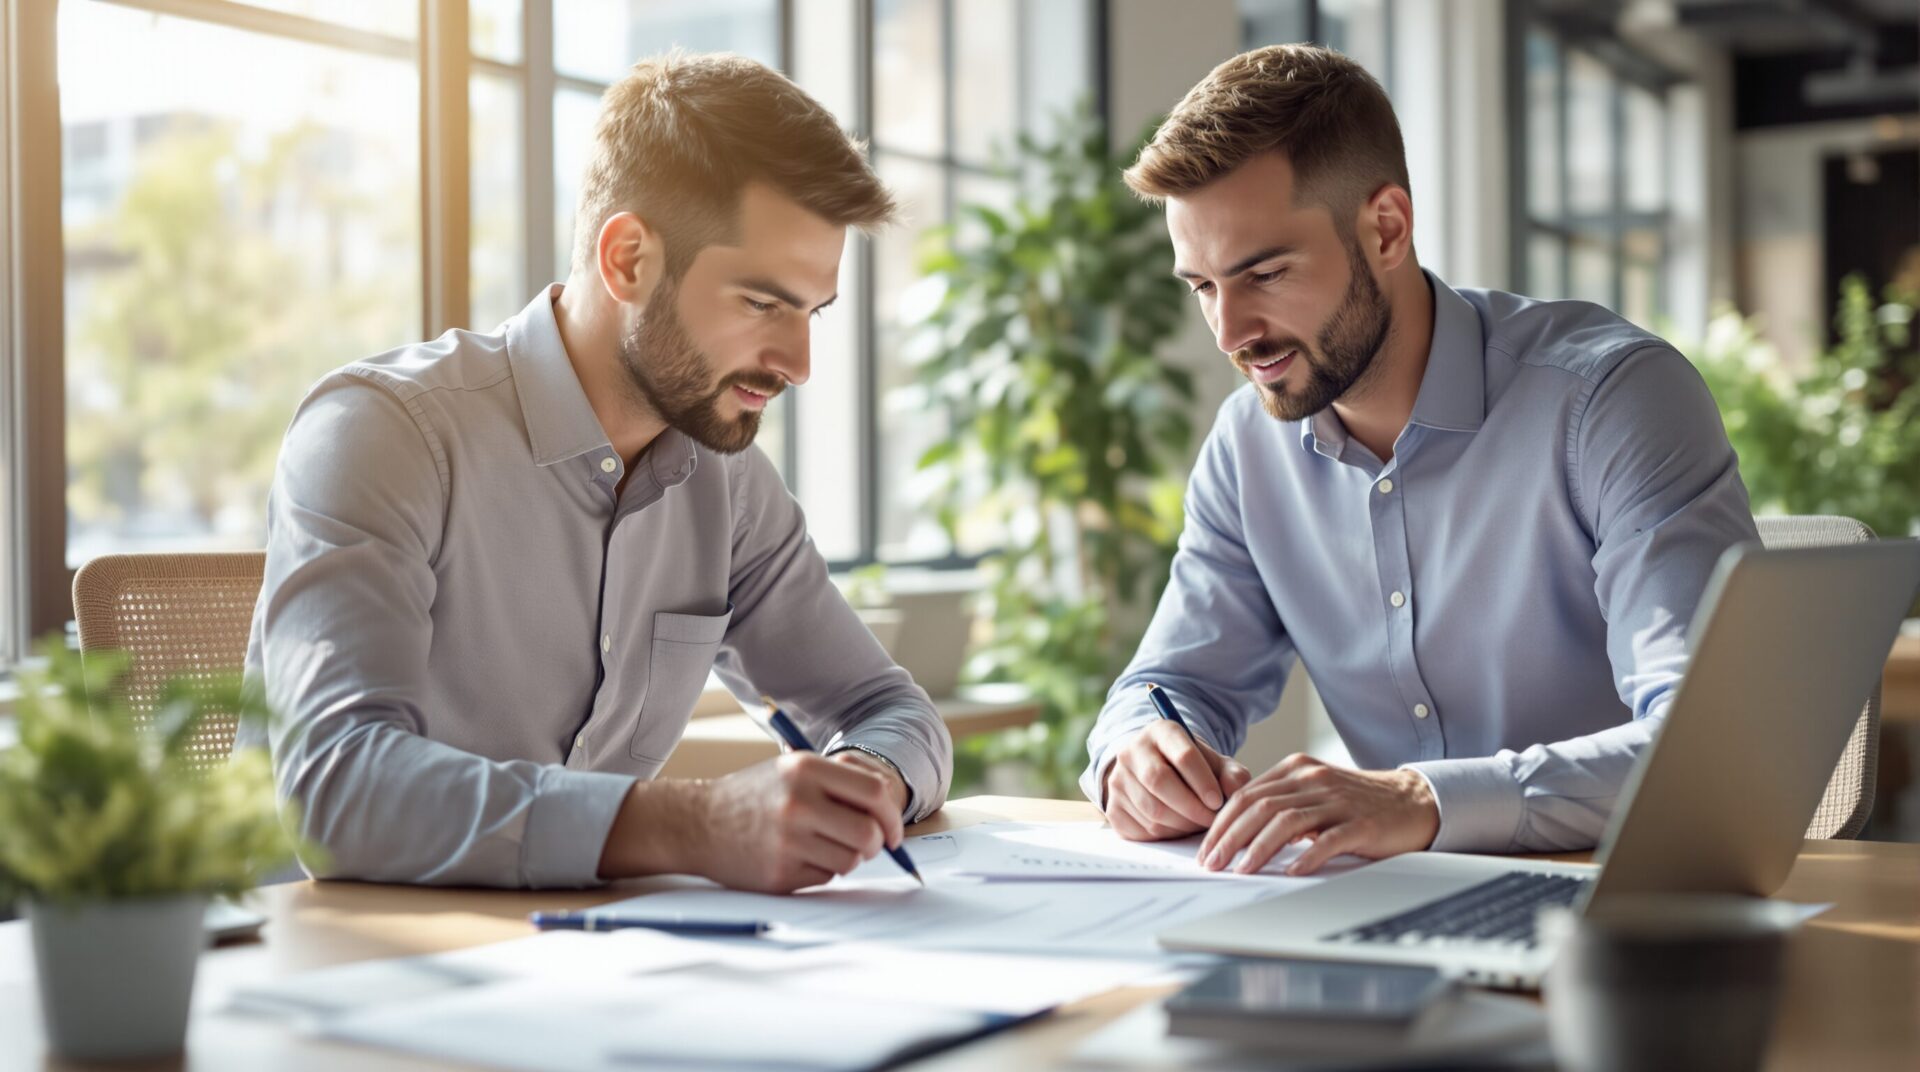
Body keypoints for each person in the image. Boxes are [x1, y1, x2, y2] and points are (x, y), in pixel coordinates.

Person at [241, 52, 951, 892]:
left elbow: (890, 712)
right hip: (347, 970)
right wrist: (698, 823)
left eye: (812, 312)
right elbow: (335, 785)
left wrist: (865, 780)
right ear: (628, 260)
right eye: (762, 303)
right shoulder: (385, 432)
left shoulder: (728, 483)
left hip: (592, 964)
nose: (798, 364)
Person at [1084, 44, 1757, 877]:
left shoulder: (1611, 402)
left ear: (1386, 228)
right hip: (1398, 905)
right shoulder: (1247, 449)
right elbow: (1167, 685)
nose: (1231, 334)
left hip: (1632, 906)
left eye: (1264, 273)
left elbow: (1708, 748)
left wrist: (1422, 800)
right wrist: (1143, 751)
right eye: (1203, 287)